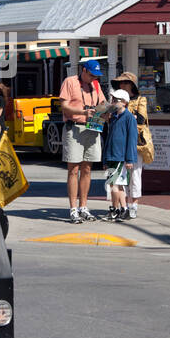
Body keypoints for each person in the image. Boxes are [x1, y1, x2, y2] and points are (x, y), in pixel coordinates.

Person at [59, 59, 106, 223]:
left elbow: (102, 103)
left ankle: (83, 207)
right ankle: (73, 209)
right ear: (84, 71)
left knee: (87, 168)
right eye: (92, 75)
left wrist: (107, 111)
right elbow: (64, 106)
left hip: (92, 128)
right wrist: (83, 112)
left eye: (96, 75)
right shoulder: (70, 82)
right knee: (73, 169)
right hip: (75, 127)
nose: (94, 78)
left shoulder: (96, 85)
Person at [105, 70, 148, 219]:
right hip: (117, 147)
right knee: (117, 179)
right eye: (119, 83)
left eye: (124, 83)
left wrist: (125, 112)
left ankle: (133, 205)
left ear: (131, 85)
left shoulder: (140, 100)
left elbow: (141, 119)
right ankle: (119, 206)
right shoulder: (114, 105)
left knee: (134, 175)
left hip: (135, 143)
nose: (121, 85)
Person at [102, 89, 138, 222]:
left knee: (114, 185)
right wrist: (105, 158)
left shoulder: (129, 118)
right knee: (118, 185)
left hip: (120, 157)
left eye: (115, 100)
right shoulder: (114, 118)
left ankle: (114, 209)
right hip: (112, 156)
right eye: (112, 100)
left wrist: (130, 159)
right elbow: (109, 139)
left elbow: (132, 140)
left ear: (124, 102)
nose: (112, 102)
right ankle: (124, 209)